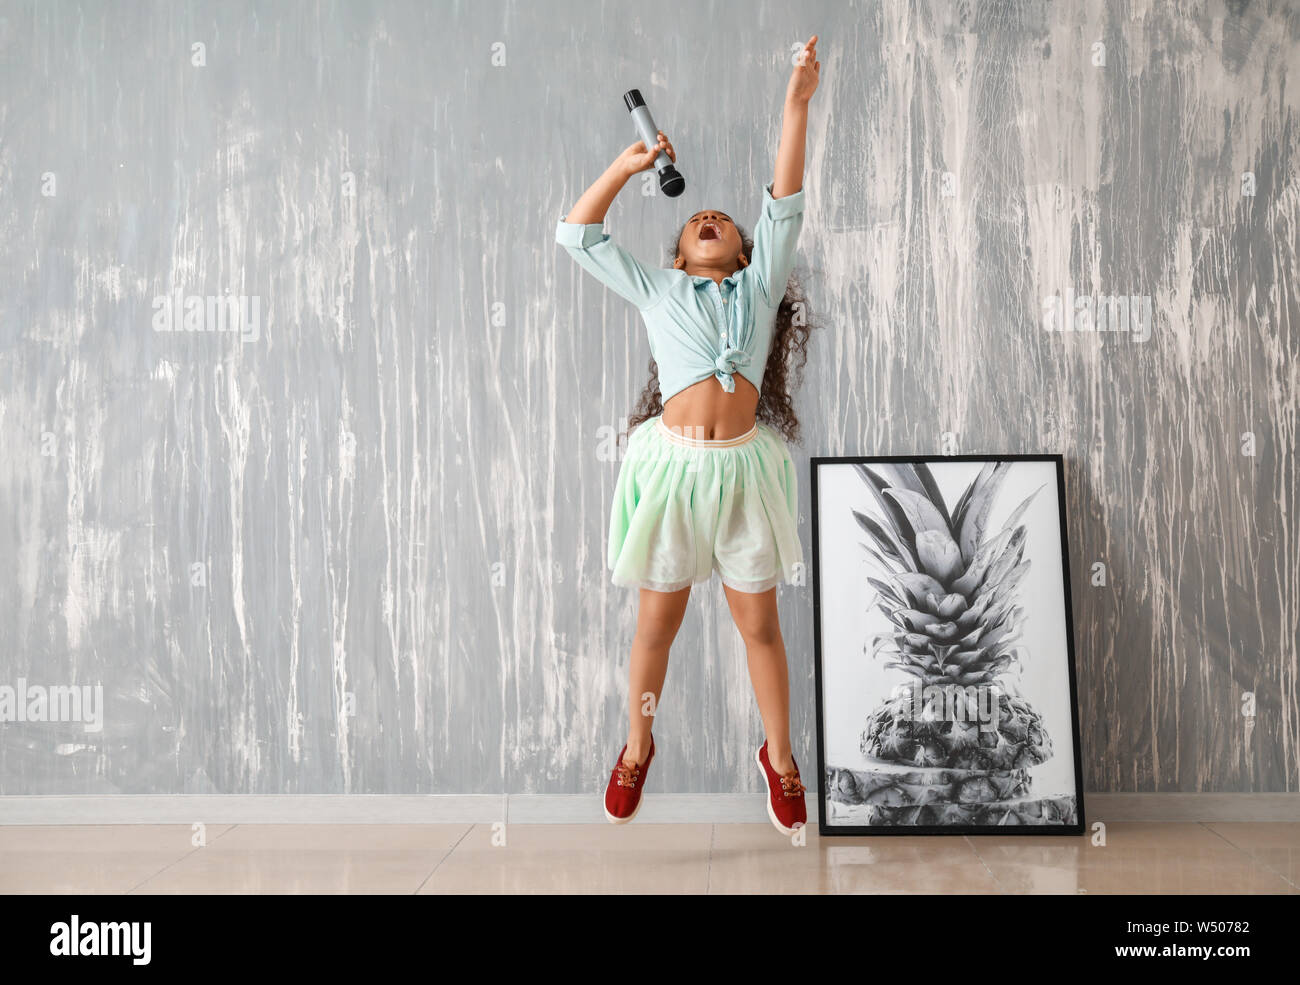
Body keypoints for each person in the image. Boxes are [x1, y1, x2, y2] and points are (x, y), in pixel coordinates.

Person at [555, 36, 821, 835]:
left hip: (742, 476)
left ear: (743, 252)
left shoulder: (759, 282)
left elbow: (785, 194)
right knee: (655, 626)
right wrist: (627, 168)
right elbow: (577, 234)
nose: (710, 218)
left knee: (759, 625)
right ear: (677, 254)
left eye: (724, 221)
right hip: (673, 473)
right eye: (696, 220)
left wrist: (796, 101)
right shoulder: (658, 287)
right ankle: (637, 744)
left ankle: (779, 755)